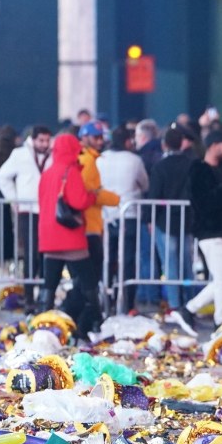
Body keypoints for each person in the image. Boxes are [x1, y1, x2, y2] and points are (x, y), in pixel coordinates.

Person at [36, 133, 102, 335]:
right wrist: (93, 196)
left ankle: (42, 321)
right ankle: (95, 319)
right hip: (70, 237)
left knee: (49, 283)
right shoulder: (71, 171)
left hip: (49, 236)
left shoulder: (47, 173)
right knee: (88, 280)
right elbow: (79, 201)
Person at [179, 130, 222, 329]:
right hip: (210, 232)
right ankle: (219, 320)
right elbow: (202, 202)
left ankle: (189, 310)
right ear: (214, 145)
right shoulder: (198, 170)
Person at [58, 121, 120, 320]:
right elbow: (86, 193)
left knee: (85, 279)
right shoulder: (87, 161)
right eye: (96, 137)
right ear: (84, 138)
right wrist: (113, 198)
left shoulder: (87, 160)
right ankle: (76, 316)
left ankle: (81, 317)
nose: (100, 141)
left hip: (89, 225)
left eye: (101, 137)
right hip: (89, 227)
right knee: (88, 279)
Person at [0, 125, 52, 307]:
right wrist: (14, 200)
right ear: (33, 139)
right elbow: (3, 176)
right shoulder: (20, 154)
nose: (44, 144)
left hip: (47, 211)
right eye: (41, 141)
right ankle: (29, 297)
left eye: (47, 140)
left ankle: (45, 296)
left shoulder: (52, 155)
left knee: (46, 253)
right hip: (27, 211)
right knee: (30, 254)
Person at [97, 126, 149, 311]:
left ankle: (106, 299)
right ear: (128, 141)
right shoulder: (134, 160)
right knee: (127, 260)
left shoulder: (100, 159)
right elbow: (144, 183)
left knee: (107, 259)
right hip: (129, 215)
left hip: (106, 215)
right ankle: (127, 302)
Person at [148, 125, 197, 310]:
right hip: (187, 220)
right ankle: (190, 302)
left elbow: (154, 194)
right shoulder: (192, 164)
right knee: (187, 264)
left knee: (170, 265)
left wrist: (150, 219)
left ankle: (175, 304)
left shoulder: (160, 167)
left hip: (165, 221)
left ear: (164, 145)